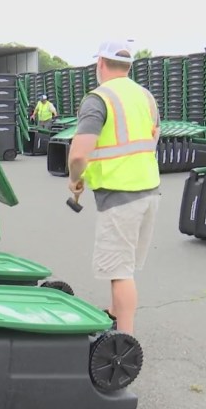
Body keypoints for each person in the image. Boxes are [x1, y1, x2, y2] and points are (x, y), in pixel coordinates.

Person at [66, 40, 161, 335]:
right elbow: (152, 137)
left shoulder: (98, 98)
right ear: (128, 66)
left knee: (120, 271)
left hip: (120, 196)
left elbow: (80, 153)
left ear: (101, 64)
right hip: (148, 191)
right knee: (121, 264)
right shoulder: (145, 97)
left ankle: (124, 339)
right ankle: (113, 312)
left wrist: (74, 178)